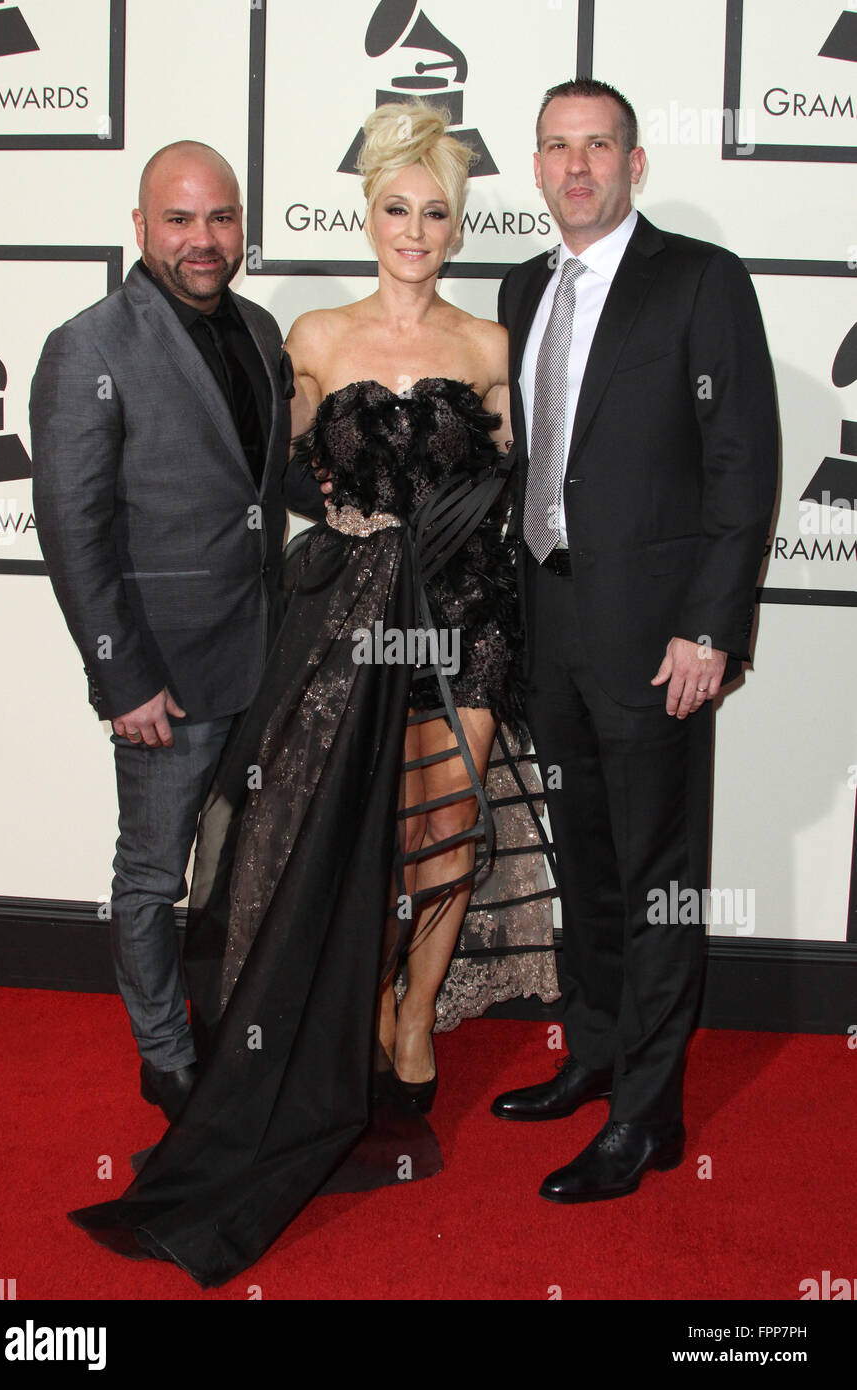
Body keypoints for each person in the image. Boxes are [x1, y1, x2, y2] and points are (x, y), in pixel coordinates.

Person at [67, 101, 558, 1287]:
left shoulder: (492, 343)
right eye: (397, 206)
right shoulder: (311, 335)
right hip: (349, 626)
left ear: (456, 224)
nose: (416, 229)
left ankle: (408, 1028)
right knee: (357, 844)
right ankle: (324, 1025)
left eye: (437, 211)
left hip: (466, 624)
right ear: (368, 211)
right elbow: (268, 479)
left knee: (444, 841)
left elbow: (512, 487)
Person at [491, 78, 778, 1202]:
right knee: (587, 861)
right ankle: (596, 1052)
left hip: (657, 638)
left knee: (658, 876)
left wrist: (709, 627)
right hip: (549, 622)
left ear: (633, 162)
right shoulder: (521, 287)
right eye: (556, 147)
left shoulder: (698, 280)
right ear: (536, 164)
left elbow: (741, 466)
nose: (575, 167)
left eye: (596, 145)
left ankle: (646, 1117)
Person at [30, 141, 324, 1123]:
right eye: (180, 219)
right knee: (153, 875)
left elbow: (273, 476)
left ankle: (238, 1025)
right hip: (163, 674)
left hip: (264, 654)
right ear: (142, 227)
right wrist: (123, 680)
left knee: (247, 865)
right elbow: (75, 529)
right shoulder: (90, 346)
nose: (204, 240)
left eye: (221, 218)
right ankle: (165, 1057)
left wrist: (369, 495)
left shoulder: (256, 326)